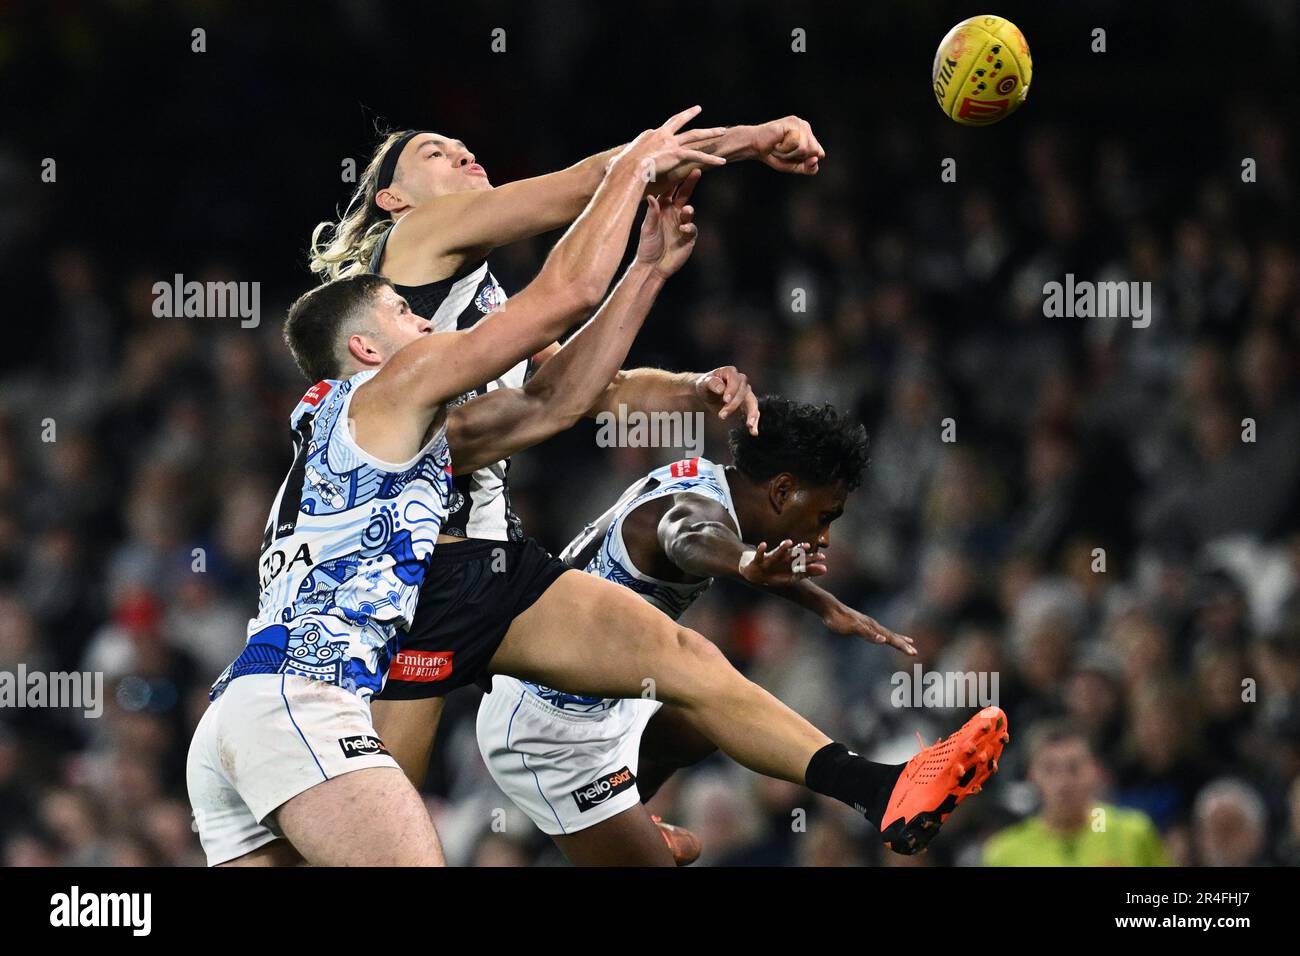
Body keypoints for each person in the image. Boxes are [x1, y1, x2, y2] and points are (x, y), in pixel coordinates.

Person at [186, 109, 727, 866]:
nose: (424, 322)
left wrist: (653, 287)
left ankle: (615, 807)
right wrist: (650, 160)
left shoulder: (350, 422)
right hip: (300, 705)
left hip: (245, 707)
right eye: (407, 312)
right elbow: (567, 290)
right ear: (370, 345)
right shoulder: (402, 374)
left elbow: (559, 399)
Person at [475, 396, 919, 865]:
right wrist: (746, 562)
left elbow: (722, 544)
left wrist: (823, 605)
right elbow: (686, 536)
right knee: (707, 680)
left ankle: (626, 815)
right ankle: (870, 787)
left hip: (604, 698)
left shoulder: (707, 476)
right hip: (548, 727)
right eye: (825, 515)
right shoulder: (696, 510)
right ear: (783, 490)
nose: (825, 536)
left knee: (703, 721)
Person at [983, 720, 1168, 867]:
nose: (1063, 783)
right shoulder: (1006, 853)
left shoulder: (1133, 833)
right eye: (1050, 769)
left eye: (1074, 768)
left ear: (1094, 771)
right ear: (1032, 776)